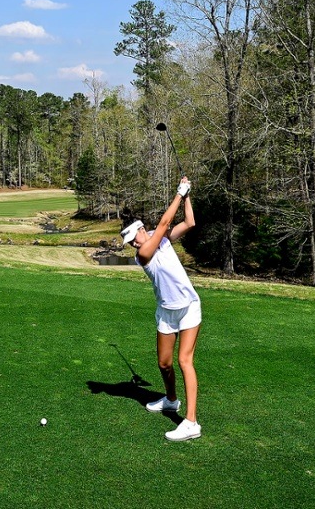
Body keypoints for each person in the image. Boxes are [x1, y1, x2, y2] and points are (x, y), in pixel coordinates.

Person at [123, 176, 201, 442]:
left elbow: (189, 223)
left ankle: (191, 423)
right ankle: (171, 400)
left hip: (189, 307)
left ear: (142, 230)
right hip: (167, 312)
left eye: (134, 238)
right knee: (164, 364)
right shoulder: (143, 255)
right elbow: (165, 223)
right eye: (130, 243)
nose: (134, 244)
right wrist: (179, 192)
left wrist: (186, 195)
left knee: (184, 361)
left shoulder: (163, 240)